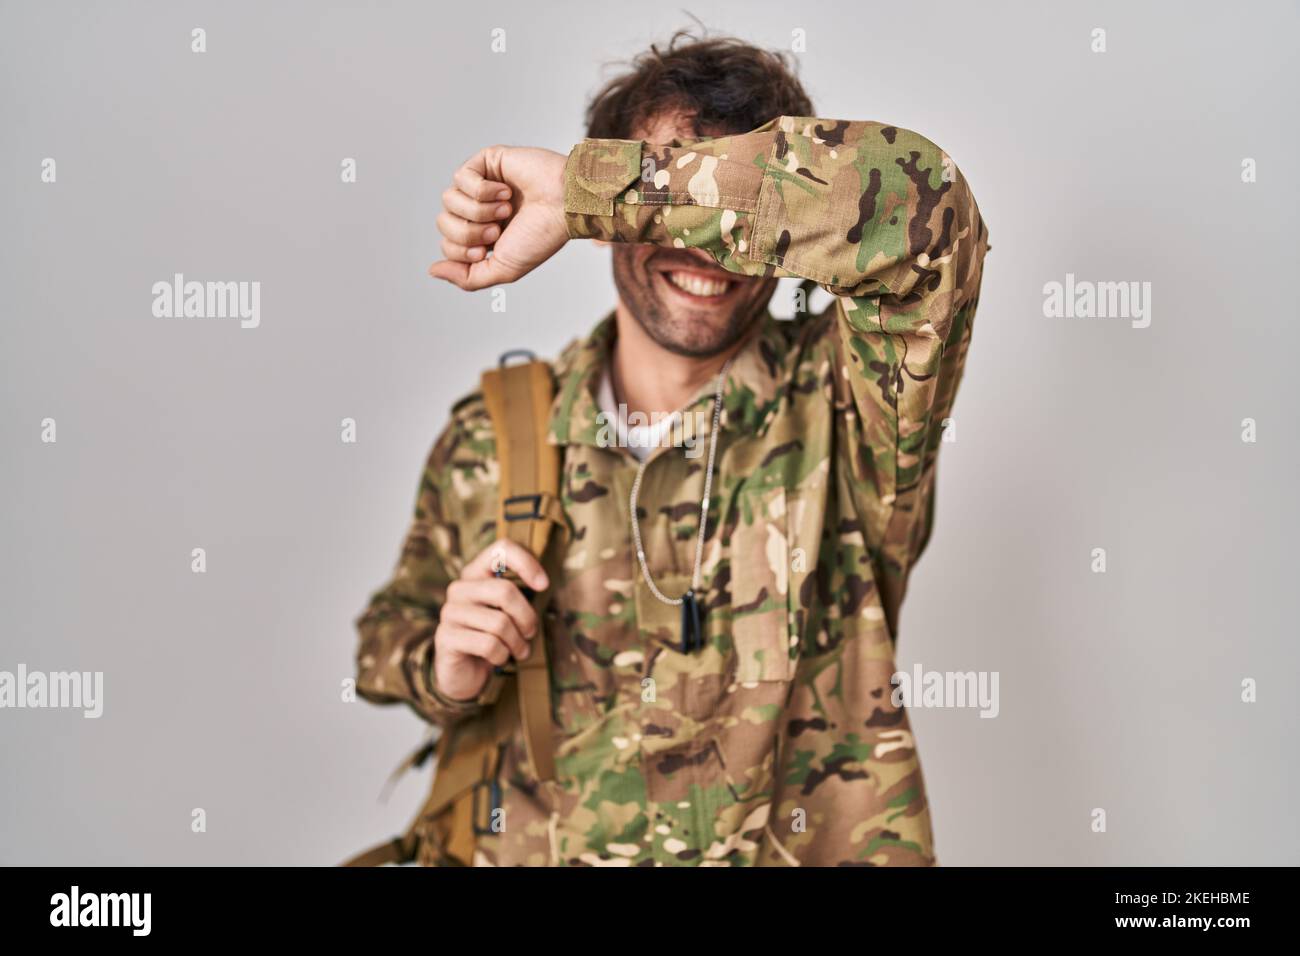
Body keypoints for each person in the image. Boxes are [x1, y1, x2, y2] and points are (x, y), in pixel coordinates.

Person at [355, 30, 990, 866]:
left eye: (723, 216)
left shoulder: (852, 409)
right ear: (606, 236)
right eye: (664, 200)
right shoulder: (495, 430)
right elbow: (384, 638)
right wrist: (443, 666)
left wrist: (602, 189)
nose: (704, 249)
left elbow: (926, 214)